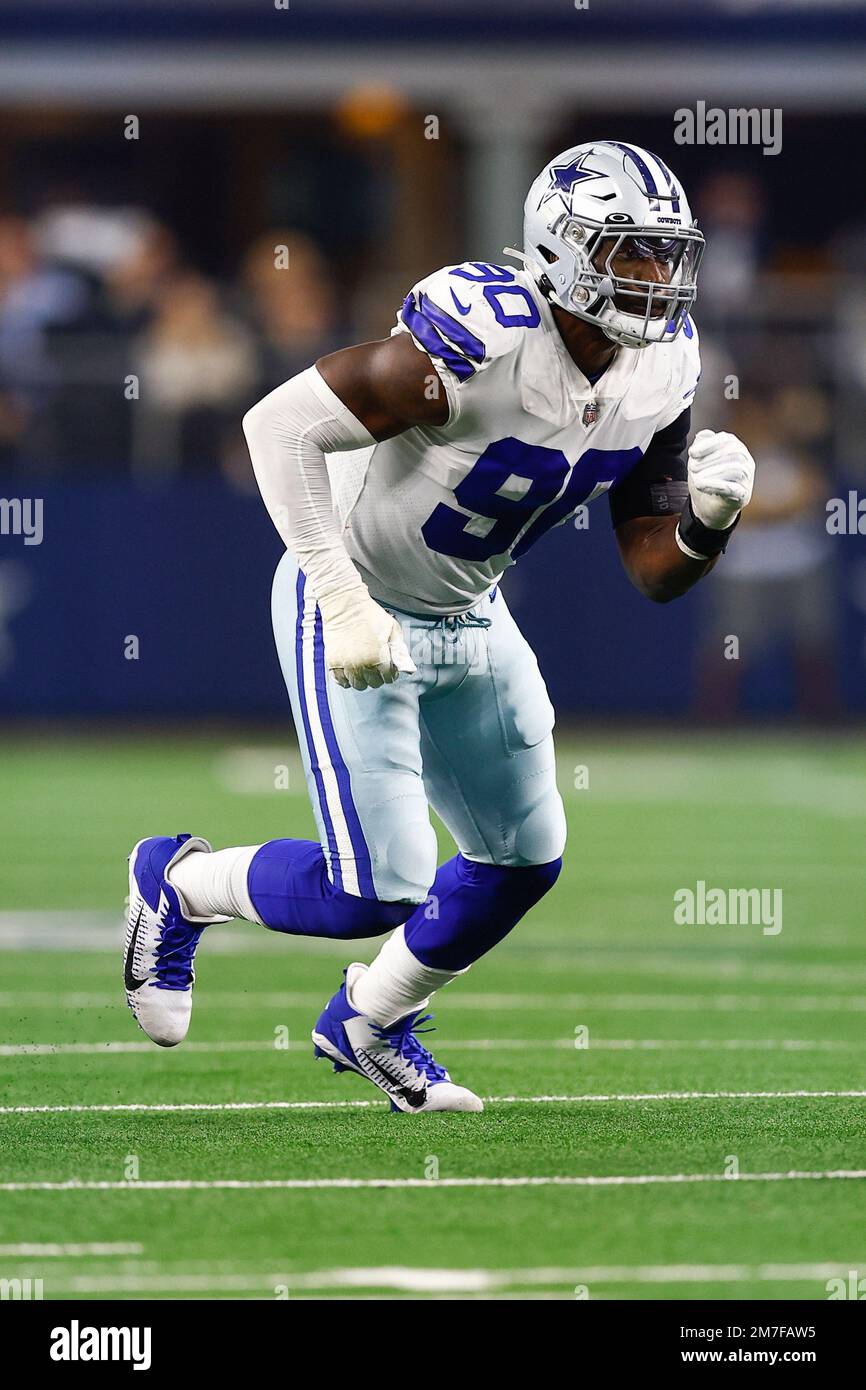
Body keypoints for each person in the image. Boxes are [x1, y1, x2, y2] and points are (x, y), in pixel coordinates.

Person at [123, 142, 755, 1113]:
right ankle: (179, 881)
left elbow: (651, 569)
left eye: (663, 254)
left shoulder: (662, 365)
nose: (651, 277)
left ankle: (368, 1019)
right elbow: (275, 428)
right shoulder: (479, 336)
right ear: (559, 246)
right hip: (358, 592)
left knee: (521, 860)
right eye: (626, 251)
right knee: (374, 890)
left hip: (469, 608)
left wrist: (705, 525)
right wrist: (340, 598)